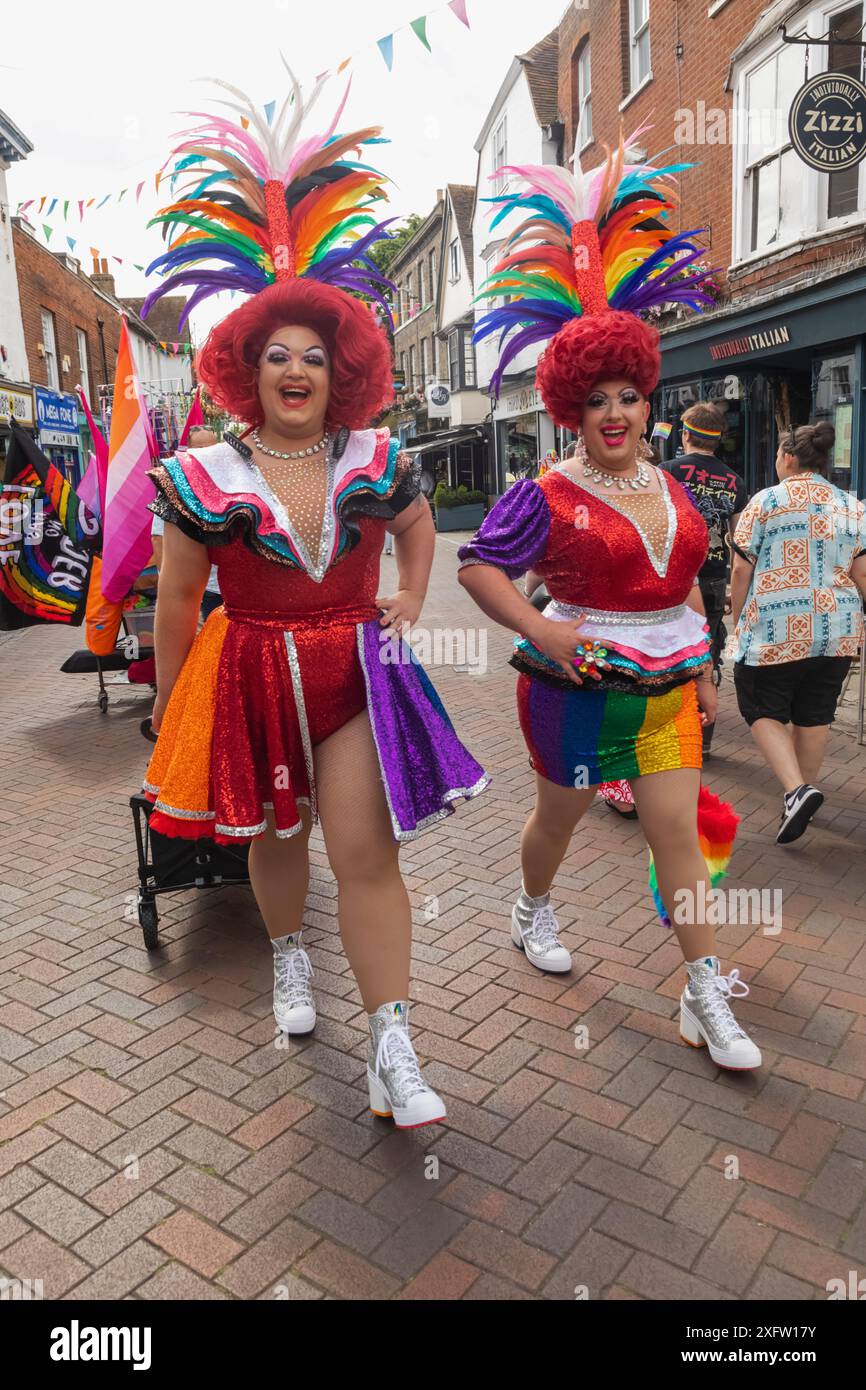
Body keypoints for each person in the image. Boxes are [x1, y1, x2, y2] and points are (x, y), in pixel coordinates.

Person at [139, 71, 489, 1128]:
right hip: (245, 664)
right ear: (247, 372)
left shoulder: (377, 456)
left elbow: (420, 524)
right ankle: (290, 957)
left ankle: (393, 1042)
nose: (297, 371)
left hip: (348, 668)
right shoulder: (202, 471)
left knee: (362, 847)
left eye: (315, 358)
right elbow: (177, 598)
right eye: (275, 356)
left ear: (345, 373)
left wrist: (411, 595)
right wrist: (170, 711)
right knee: (274, 837)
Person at [460, 129, 761, 1070]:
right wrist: (540, 627)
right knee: (562, 817)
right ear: (572, 408)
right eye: (599, 401)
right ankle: (532, 905)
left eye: (630, 394)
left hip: (670, 682)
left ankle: (703, 987)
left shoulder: (674, 486)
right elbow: (477, 566)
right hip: (573, 680)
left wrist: (707, 668)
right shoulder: (542, 491)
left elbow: (686, 589)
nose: (618, 413)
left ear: (648, 400)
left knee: (677, 826)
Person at [731, 422, 866, 844]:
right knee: (815, 710)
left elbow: (740, 568)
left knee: (761, 704)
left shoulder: (766, 500)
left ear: (789, 457)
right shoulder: (852, 505)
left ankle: (796, 791)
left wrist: (738, 619)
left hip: (776, 625)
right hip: (838, 627)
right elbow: (862, 572)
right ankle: (800, 798)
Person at [667, 403, 747, 757]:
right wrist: (733, 585)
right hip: (712, 577)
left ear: (685, 434)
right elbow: (739, 543)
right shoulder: (734, 481)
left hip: (670, 579)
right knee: (706, 651)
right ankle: (703, 739)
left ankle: (669, 732)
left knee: (666, 649)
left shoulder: (665, 473)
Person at [151, 427, 223, 619]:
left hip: (233, 588)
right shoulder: (175, 486)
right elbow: (158, 538)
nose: (206, 456)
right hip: (199, 589)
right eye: (199, 450)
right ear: (189, 452)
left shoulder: (231, 482)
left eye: (211, 449)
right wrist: (167, 585)